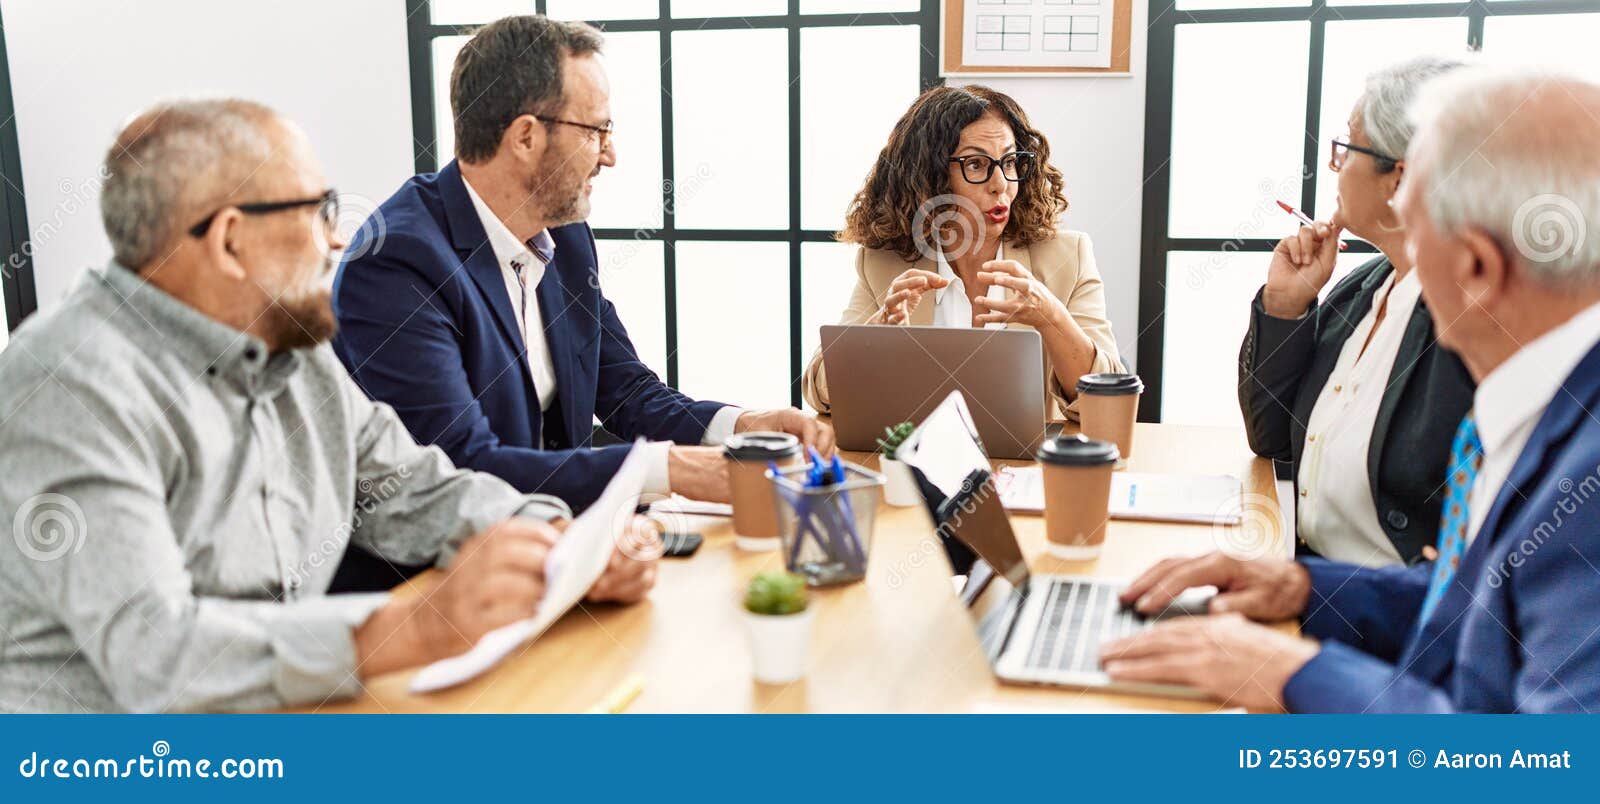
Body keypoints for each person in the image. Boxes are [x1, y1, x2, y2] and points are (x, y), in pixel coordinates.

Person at [0, 99, 659, 713]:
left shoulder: (290, 349)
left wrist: (558, 543)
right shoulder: (66, 387)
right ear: (232, 241)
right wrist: (411, 625)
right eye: (319, 211)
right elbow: (154, 655)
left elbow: (421, 493)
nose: (337, 240)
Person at [1101, 68, 1600, 713]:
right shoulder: (1542, 399)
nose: (1407, 264)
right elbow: (1475, 614)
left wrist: (1296, 674)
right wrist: (1301, 587)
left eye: (1418, 235)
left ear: (1475, 267)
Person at [332, 16, 830, 558]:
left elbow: (624, 389)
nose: (610, 154)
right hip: (441, 582)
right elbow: (461, 466)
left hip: (560, 552)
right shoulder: (395, 262)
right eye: (597, 131)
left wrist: (740, 426)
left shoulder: (564, 236)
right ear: (526, 135)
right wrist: (674, 469)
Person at [1239, 57, 1474, 568]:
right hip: (1302, 573)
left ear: (1398, 179)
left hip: (1390, 615)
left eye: (1347, 148)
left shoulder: (1474, 322)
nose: (1334, 165)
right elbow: (1270, 438)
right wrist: (1285, 306)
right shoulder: (1360, 289)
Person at [800, 84, 1122, 420]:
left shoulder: (1068, 256)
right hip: (918, 465)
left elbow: (1109, 401)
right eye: (977, 164)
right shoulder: (884, 262)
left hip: (1027, 469)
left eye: (1010, 162)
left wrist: (1050, 318)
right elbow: (820, 393)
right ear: (931, 175)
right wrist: (877, 331)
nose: (1002, 184)